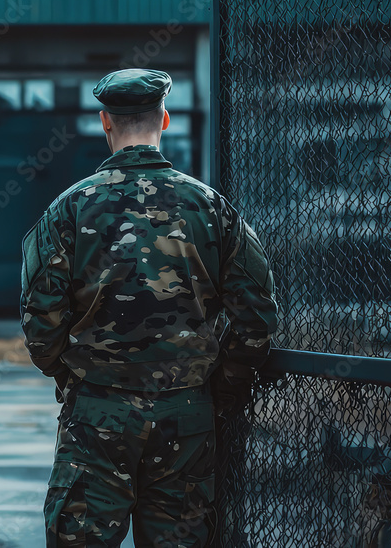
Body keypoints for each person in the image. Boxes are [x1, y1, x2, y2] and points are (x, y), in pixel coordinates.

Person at [20, 68, 278, 547]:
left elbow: (40, 322)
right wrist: (219, 388)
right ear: (164, 117)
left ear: (104, 122)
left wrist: (70, 373)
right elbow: (258, 319)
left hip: (98, 414)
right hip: (187, 414)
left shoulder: (70, 209)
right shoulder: (211, 207)